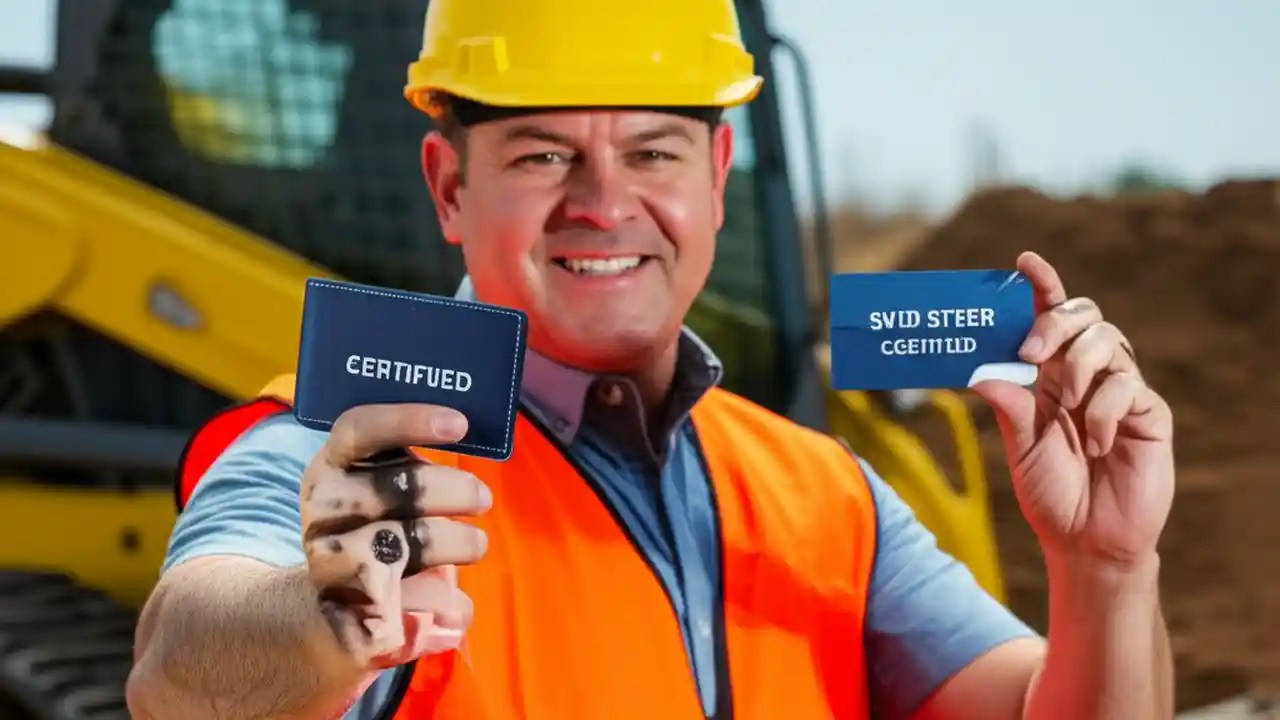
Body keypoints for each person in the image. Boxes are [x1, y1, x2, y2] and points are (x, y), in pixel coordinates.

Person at [125, 0, 1176, 718]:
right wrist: (317, 618)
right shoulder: (345, 458)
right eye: (543, 155)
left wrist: (1105, 573)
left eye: (652, 152)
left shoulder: (823, 492)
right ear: (448, 188)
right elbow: (181, 676)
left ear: (716, 174)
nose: (603, 203)